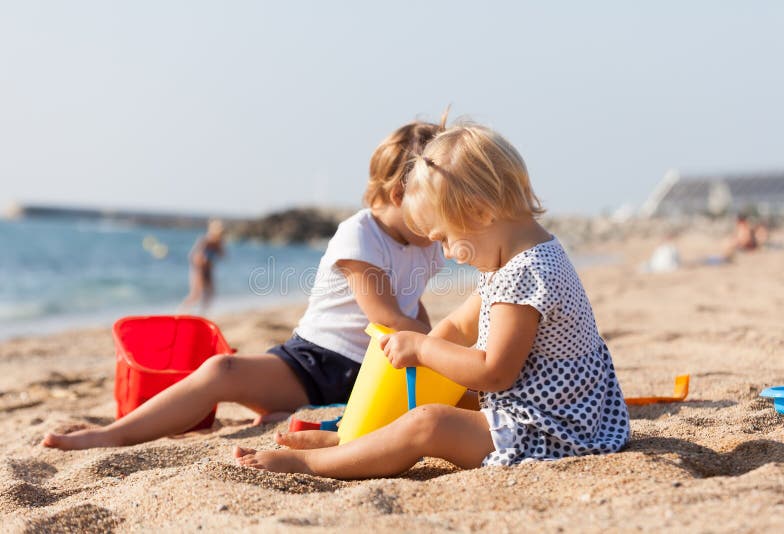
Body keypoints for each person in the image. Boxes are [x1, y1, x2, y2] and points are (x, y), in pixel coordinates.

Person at [234, 123, 631, 476]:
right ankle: (355, 443)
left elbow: (494, 372)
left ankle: (309, 464)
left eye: (443, 237)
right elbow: (459, 326)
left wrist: (423, 348)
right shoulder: (516, 260)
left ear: (480, 212)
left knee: (428, 423)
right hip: (554, 412)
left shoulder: (526, 275)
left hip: (551, 432)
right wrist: (425, 354)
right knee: (433, 399)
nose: (443, 252)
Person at [42, 116, 448, 450]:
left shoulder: (427, 244)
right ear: (399, 194)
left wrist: (437, 345)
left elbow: (412, 306)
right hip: (313, 365)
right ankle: (113, 435)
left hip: (373, 374)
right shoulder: (361, 234)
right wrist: (443, 345)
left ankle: (290, 416)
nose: (441, 220)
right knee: (222, 369)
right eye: (436, 205)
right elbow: (388, 315)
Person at [180, 219, 226, 313]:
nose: (219, 235)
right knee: (195, 294)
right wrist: (201, 260)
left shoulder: (218, 244)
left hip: (208, 271)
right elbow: (192, 256)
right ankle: (182, 312)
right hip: (199, 270)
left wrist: (220, 247)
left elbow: (222, 255)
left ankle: (203, 313)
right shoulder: (205, 241)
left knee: (210, 293)